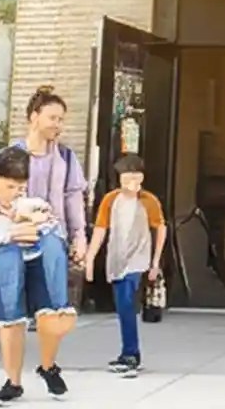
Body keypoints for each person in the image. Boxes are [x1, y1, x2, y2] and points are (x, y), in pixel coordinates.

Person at [0, 86, 87, 405]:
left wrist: (79, 236)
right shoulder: (8, 156)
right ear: (33, 117)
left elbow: (74, 198)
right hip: (12, 241)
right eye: (53, 117)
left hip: (51, 241)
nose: (58, 125)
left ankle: (48, 367)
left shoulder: (66, 157)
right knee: (9, 311)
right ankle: (12, 382)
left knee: (52, 309)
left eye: (62, 120)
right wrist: (6, 228)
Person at [84, 154, 168, 376]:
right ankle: (129, 353)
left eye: (135, 178)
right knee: (122, 307)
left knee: (127, 302)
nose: (131, 183)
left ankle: (131, 354)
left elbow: (160, 228)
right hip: (116, 258)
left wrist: (155, 262)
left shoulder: (149, 201)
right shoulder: (111, 201)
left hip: (139, 259)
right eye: (126, 178)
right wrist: (90, 258)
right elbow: (101, 229)